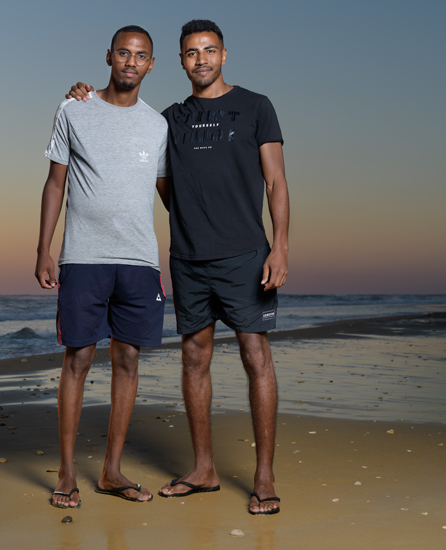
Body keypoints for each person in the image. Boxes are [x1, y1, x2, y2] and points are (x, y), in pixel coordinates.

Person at [66, 19, 290, 515]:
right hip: (188, 259)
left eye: (210, 51)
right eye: (191, 53)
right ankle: (204, 468)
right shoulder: (167, 119)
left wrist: (281, 247)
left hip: (247, 255)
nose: (202, 60)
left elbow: (276, 182)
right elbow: (158, 178)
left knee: (256, 356)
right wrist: (81, 94)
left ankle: (265, 475)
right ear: (181, 61)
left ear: (224, 55)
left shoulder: (256, 107)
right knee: (194, 359)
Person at [35, 25, 170, 509]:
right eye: (124, 53)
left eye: (141, 56)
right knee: (78, 359)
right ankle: (68, 473)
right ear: (109, 57)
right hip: (84, 257)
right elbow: (55, 184)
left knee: (128, 361)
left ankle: (112, 472)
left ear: (152, 65)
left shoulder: (158, 126)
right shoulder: (75, 108)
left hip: (138, 259)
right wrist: (43, 249)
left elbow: (169, 193)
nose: (131, 62)